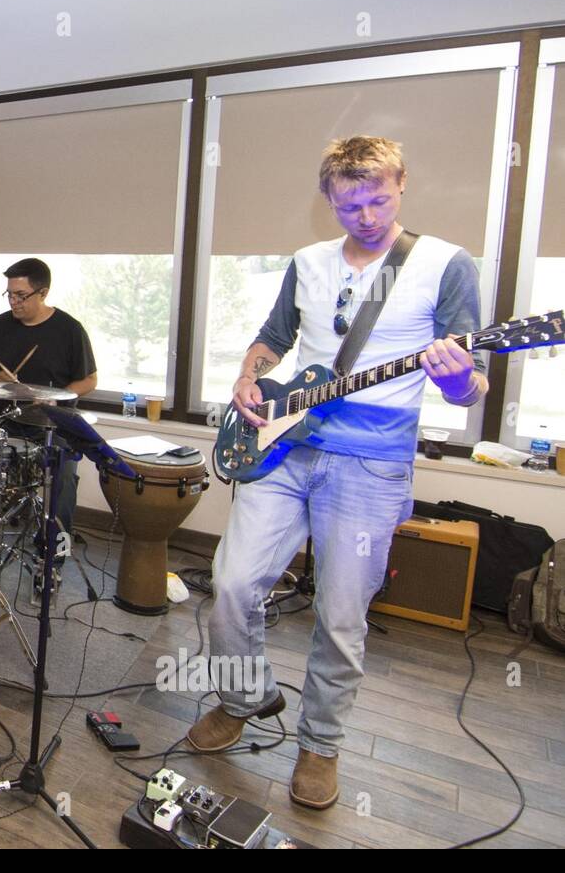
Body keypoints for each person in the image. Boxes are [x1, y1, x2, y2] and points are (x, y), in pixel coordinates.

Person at [187, 136, 487, 809]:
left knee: (341, 613)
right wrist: (248, 376)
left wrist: (461, 377)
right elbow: (273, 340)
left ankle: (320, 744)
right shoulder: (308, 262)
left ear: (402, 185)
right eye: (351, 204)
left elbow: (472, 393)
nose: (368, 217)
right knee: (232, 585)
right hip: (287, 447)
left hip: (371, 464)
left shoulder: (445, 264)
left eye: (379, 199)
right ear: (329, 200)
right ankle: (241, 699)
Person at [0, 258, 98, 585]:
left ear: (43, 293)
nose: (14, 302)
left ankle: (52, 556)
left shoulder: (69, 330)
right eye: (9, 294)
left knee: (64, 475)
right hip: (3, 409)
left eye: (21, 295)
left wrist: (60, 396)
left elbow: (90, 379)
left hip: (52, 417)